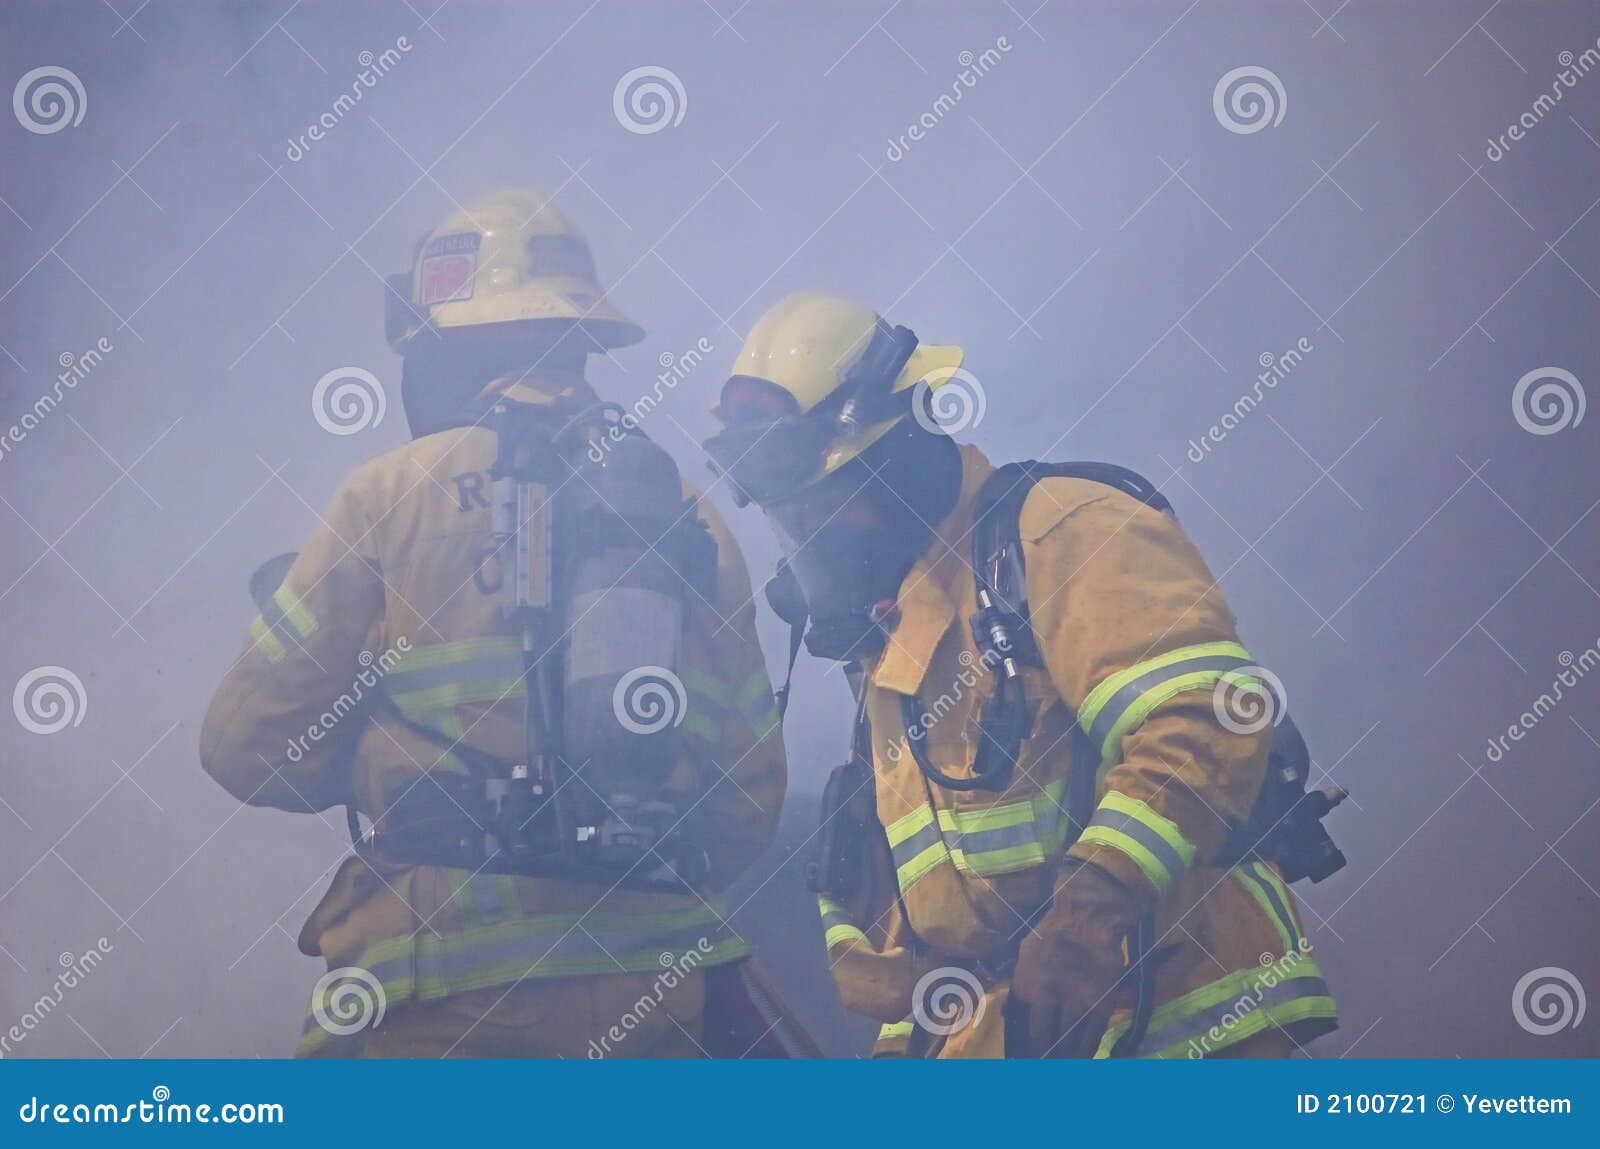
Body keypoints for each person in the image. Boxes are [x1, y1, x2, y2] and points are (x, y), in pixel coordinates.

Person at [201, 190, 797, 1058]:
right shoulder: (692, 517)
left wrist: (377, 752)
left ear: (448, 350)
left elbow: (240, 747)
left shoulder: (389, 496)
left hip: (438, 1006)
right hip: (658, 1006)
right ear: (582, 343)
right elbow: (749, 803)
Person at [702, 290, 1340, 1058]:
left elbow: (1207, 715)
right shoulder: (892, 643)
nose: (806, 542)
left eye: (820, 509)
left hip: (1183, 1027)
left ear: (896, 463)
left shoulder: (1058, 530)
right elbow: (932, 924)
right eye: (787, 520)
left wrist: (1086, 917)